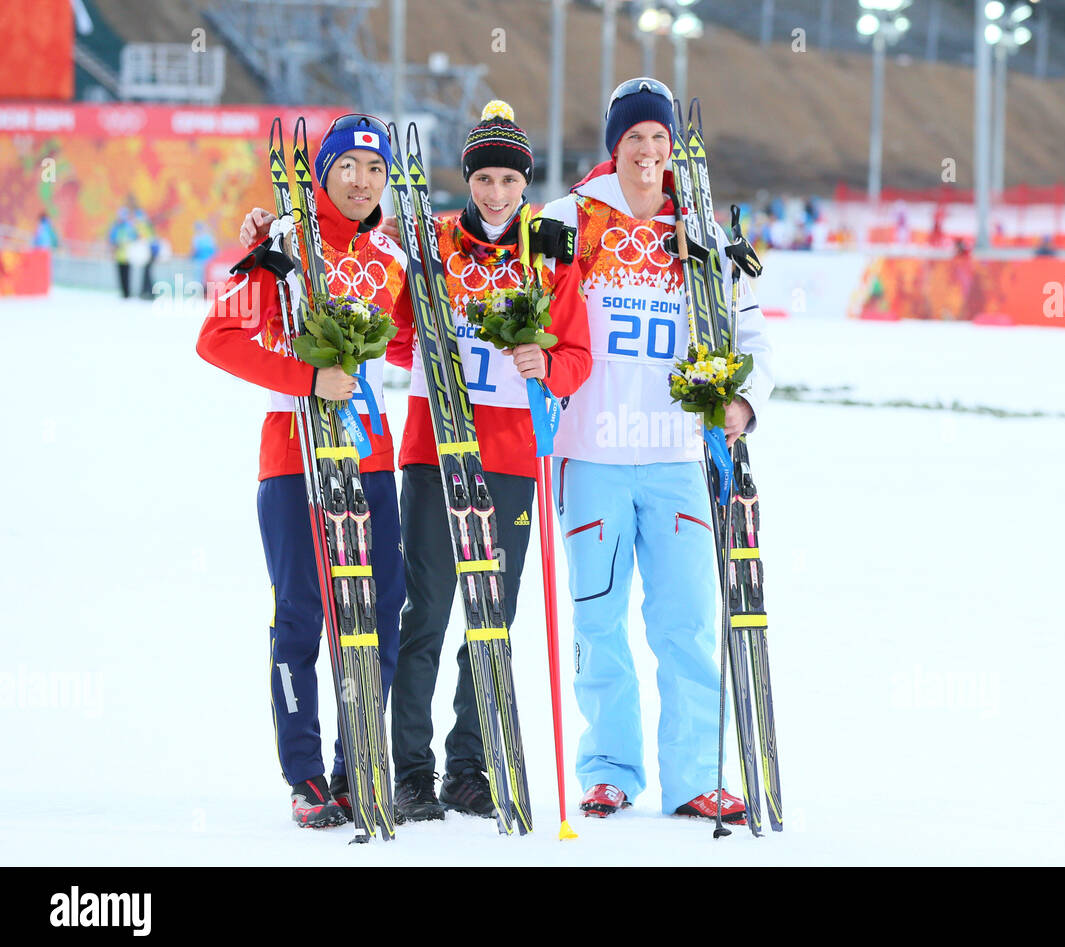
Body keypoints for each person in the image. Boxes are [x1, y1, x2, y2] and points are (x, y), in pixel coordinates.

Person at [537, 77, 773, 824]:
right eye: (633, 137)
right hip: (593, 452)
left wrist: (743, 401)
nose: (646, 150)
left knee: (686, 624)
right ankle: (609, 769)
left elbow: (753, 336)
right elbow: (502, 270)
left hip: (676, 457)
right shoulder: (568, 219)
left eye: (658, 138)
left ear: (674, 148)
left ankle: (697, 773)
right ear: (615, 145)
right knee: (598, 620)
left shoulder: (703, 230)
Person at [197, 115, 410, 828]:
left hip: (371, 456)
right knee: (303, 616)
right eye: (347, 166)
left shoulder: (391, 257)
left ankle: (359, 765)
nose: (361, 181)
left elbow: (411, 343)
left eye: (375, 170)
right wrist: (304, 379)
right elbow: (217, 339)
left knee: (378, 616)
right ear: (322, 172)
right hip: (292, 455)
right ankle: (306, 775)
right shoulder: (281, 243)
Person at [382, 101, 591, 822]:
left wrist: (546, 363)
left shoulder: (551, 248)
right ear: (467, 179)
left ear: (524, 182)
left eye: (508, 179)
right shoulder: (430, 240)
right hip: (435, 447)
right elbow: (395, 333)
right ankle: (410, 770)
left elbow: (577, 357)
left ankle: (467, 766)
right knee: (428, 611)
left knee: (490, 616)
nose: (496, 193)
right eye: (484, 178)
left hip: (512, 456)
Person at [108, 208, 135, 298]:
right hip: (119, 255)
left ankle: (127, 293)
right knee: (121, 275)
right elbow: (112, 239)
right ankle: (123, 293)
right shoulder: (116, 227)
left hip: (127, 255)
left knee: (127, 275)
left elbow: (133, 238)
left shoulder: (129, 227)